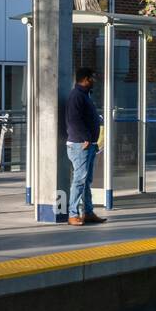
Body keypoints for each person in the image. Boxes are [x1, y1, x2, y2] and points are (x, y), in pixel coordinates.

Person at [65, 66, 105, 225]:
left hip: (88, 145)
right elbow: (73, 120)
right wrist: (86, 138)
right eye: (93, 78)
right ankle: (73, 214)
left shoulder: (84, 95)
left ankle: (88, 212)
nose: (95, 81)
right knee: (79, 180)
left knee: (86, 181)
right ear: (86, 79)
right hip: (80, 145)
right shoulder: (76, 96)